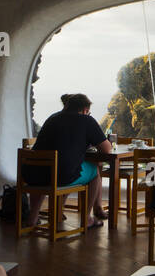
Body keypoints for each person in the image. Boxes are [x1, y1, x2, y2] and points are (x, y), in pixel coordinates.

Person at [25, 93, 112, 227]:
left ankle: (32, 218)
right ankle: (87, 219)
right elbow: (106, 149)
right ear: (85, 110)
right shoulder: (86, 120)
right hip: (60, 177)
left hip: (32, 174)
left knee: (50, 169)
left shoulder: (52, 118)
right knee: (94, 172)